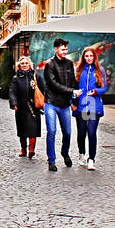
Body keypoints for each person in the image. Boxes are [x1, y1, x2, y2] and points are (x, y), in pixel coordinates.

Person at [41, 37, 77, 172]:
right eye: (63, 48)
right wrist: (72, 91)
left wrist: (74, 101)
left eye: (66, 48)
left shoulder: (69, 63)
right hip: (51, 102)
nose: (65, 51)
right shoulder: (49, 64)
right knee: (52, 131)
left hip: (64, 104)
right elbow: (53, 84)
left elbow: (72, 82)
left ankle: (65, 153)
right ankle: (51, 160)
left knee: (67, 132)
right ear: (56, 49)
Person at [73, 47, 107, 171]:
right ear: (83, 58)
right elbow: (73, 87)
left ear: (94, 57)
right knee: (82, 133)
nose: (89, 58)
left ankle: (91, 159)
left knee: (91, 132)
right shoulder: (79, 70)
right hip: (81, 105)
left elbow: (104, 88)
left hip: (93, 105)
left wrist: (96, 91)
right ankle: (81, 153)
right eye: (86, 56)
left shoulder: (100, 70)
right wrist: (73, 101)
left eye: (91, 56)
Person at [8, 55, 43, 158]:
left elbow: (42, 90)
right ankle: (23, 149)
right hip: (21, 106)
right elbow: (12, 92)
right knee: (22, 130)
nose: (24, 65)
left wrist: (42, 102)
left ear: (30, 64)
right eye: (22, 63)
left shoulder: (36, 76)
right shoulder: (16, 78)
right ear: (19, 65)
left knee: (33, 129)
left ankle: (31, 150)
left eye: (26, 63)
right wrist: (14, 103)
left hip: (34, 106)